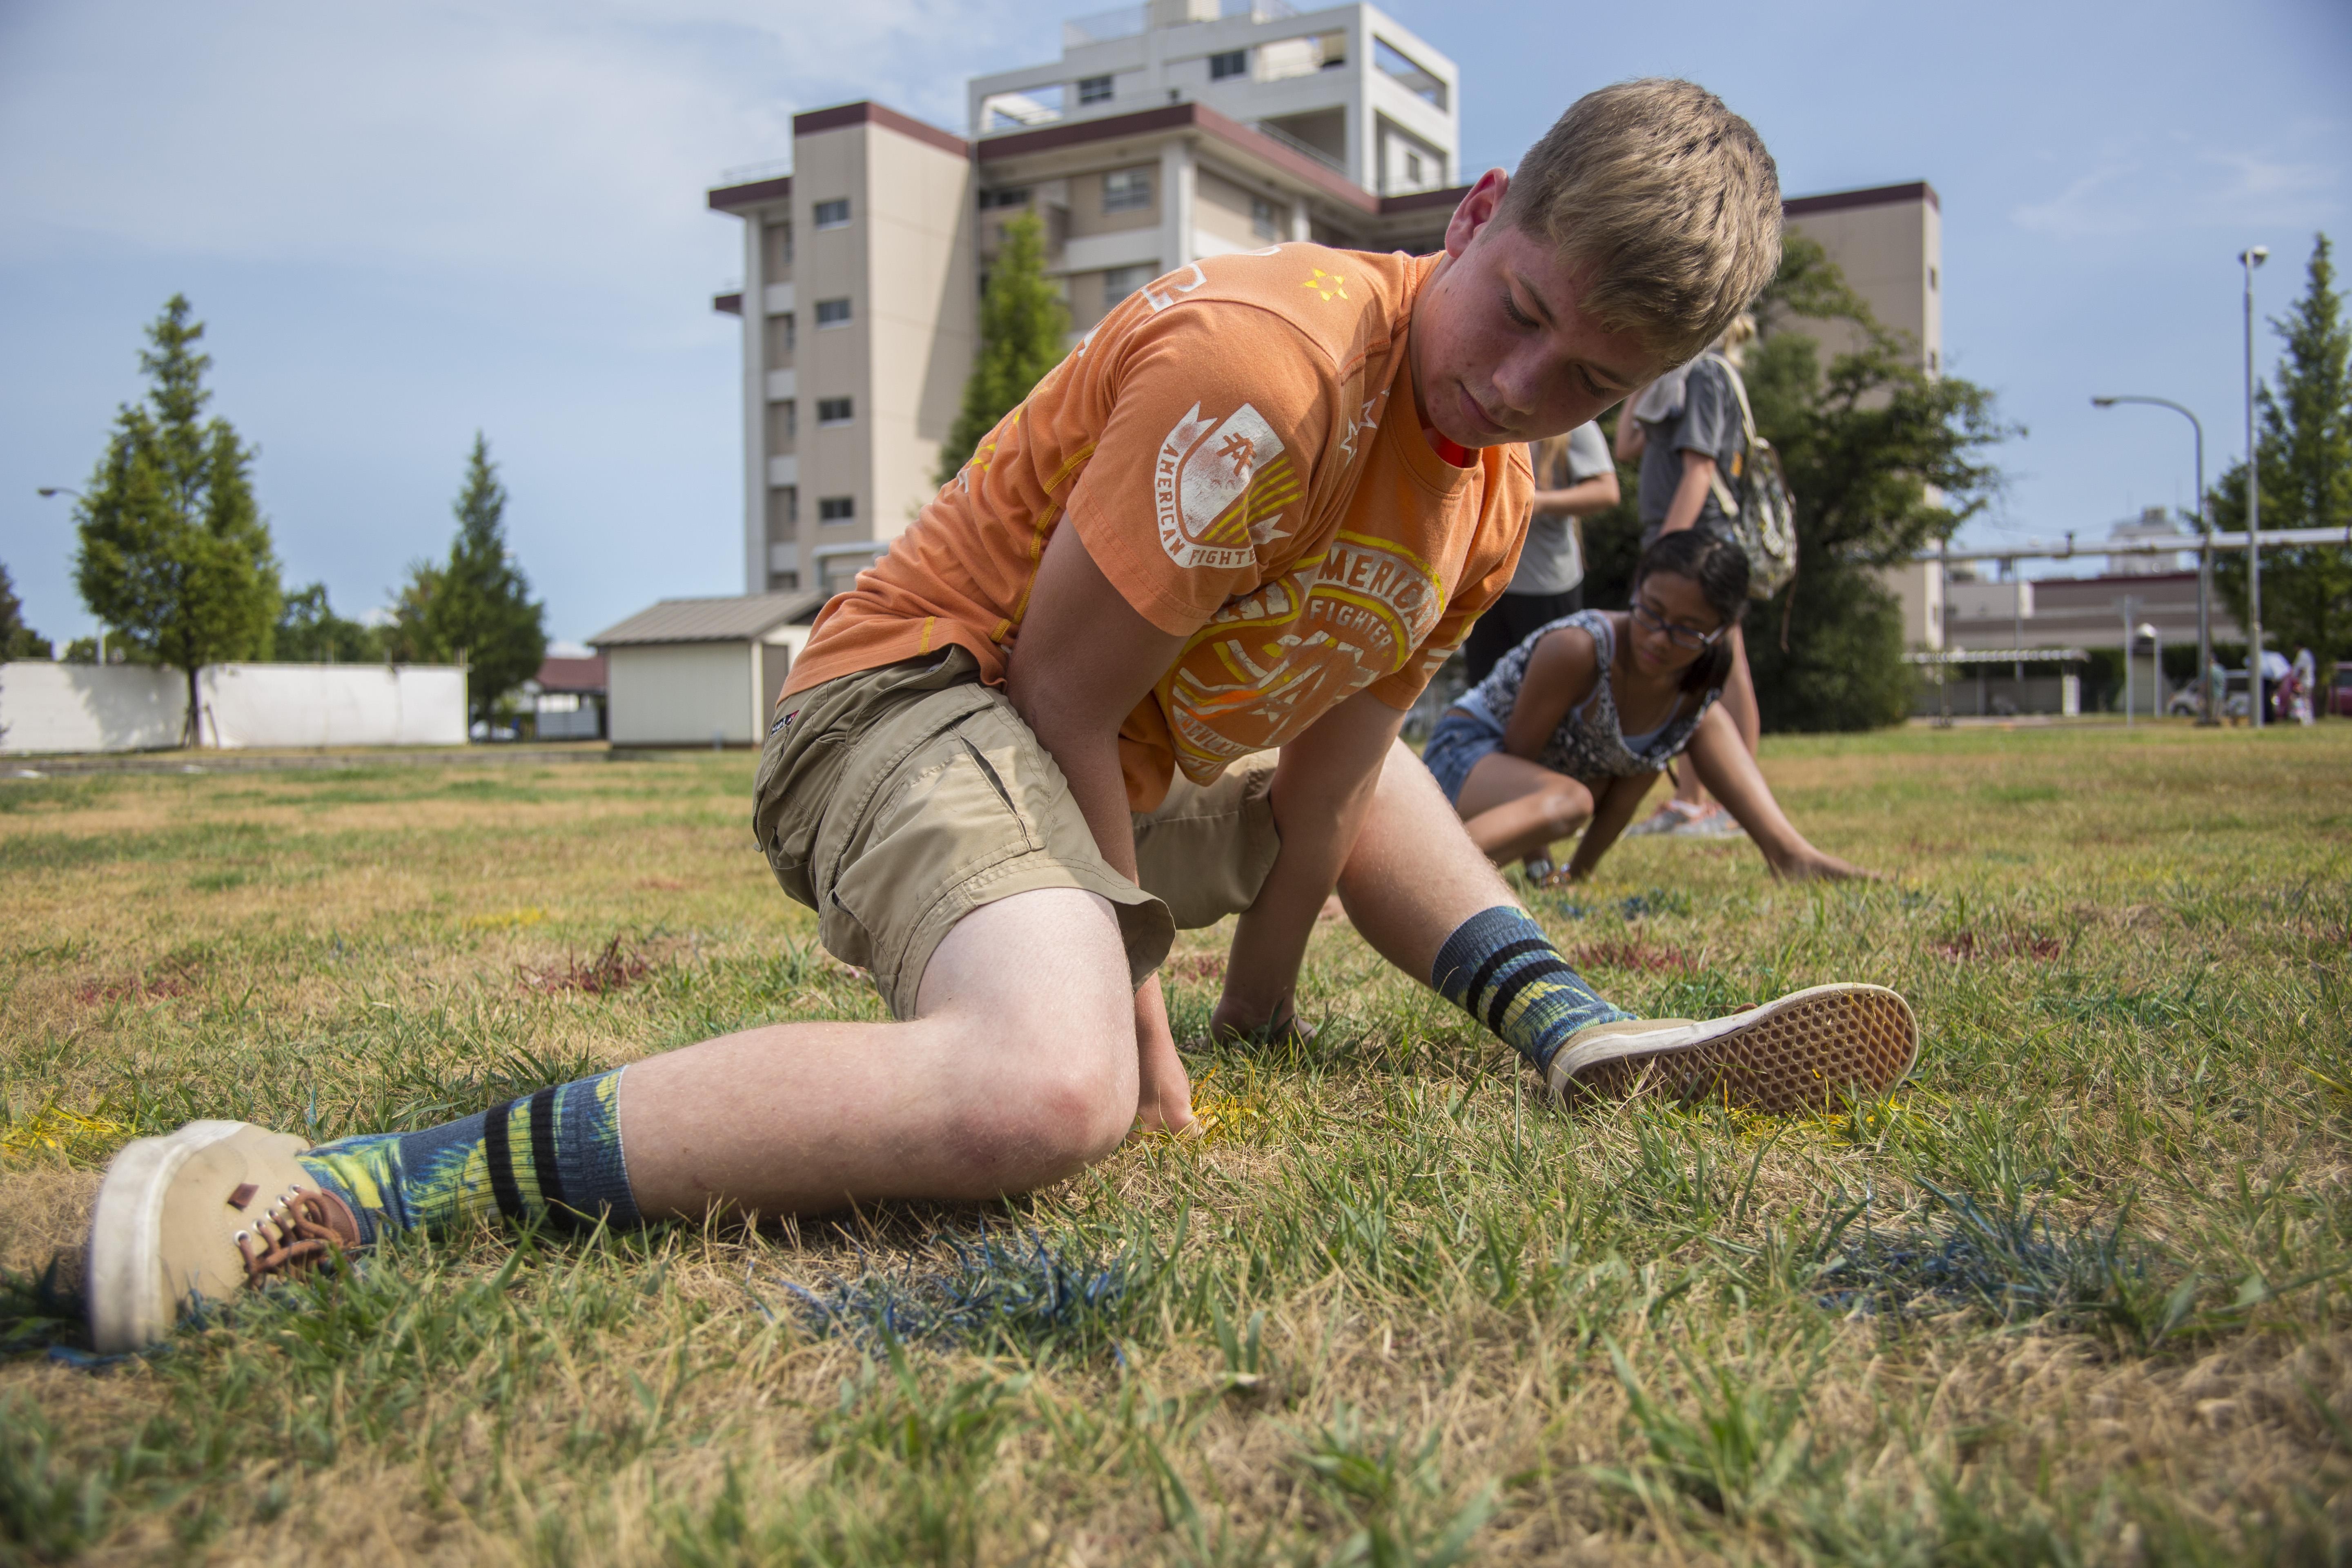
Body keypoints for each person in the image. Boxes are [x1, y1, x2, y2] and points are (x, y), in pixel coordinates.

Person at [79, 80, 1920, 1354]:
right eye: (1516, 313)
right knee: (1049, 1087)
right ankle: (352, 1188)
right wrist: (1141, 1034)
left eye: (1583, 378)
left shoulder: (1500, 485)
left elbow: (1350, 764)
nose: (1519, 383)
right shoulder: (1271, 370)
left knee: (1339, 788)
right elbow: (1058, 691)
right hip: (914, 702)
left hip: (1110, 753)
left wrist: (1258, 1009)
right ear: (1480, 209)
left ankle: (1570, 1026)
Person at [1424, 530, 1864, 885]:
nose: (1658, 638)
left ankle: (1790, 854)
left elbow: (1630, 787)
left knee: (1705, 724)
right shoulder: (1578, 648)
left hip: (1552, 787)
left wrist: (1576, 875)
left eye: (1688, 631)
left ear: (1722, 631)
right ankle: (1422, 872)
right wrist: (1539, 866)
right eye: (1651, 613)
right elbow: (1521, 754)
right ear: (1637, 589)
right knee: (1570, 800)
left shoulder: (1696, 683)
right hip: (1472, 756)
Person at [1613, 315, 1762, 840]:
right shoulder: (1673, 382)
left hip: (1698, 543)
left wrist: (1666, 557)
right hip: (1681, 539)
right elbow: (1626, 446)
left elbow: (1700, 472)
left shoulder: (1705, 375)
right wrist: (1644, 375)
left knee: (1720, 668)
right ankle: (1693, 800)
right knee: (1704, 669)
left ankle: (1717, 805)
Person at [1460, 422, 1619, 686]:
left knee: (1549, 688)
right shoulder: (1489, 408)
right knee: (1484, 689)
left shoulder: (1575, 420)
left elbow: (1607, 491)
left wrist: (1535, 501)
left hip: (1546, 586)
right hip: (1483, 582)